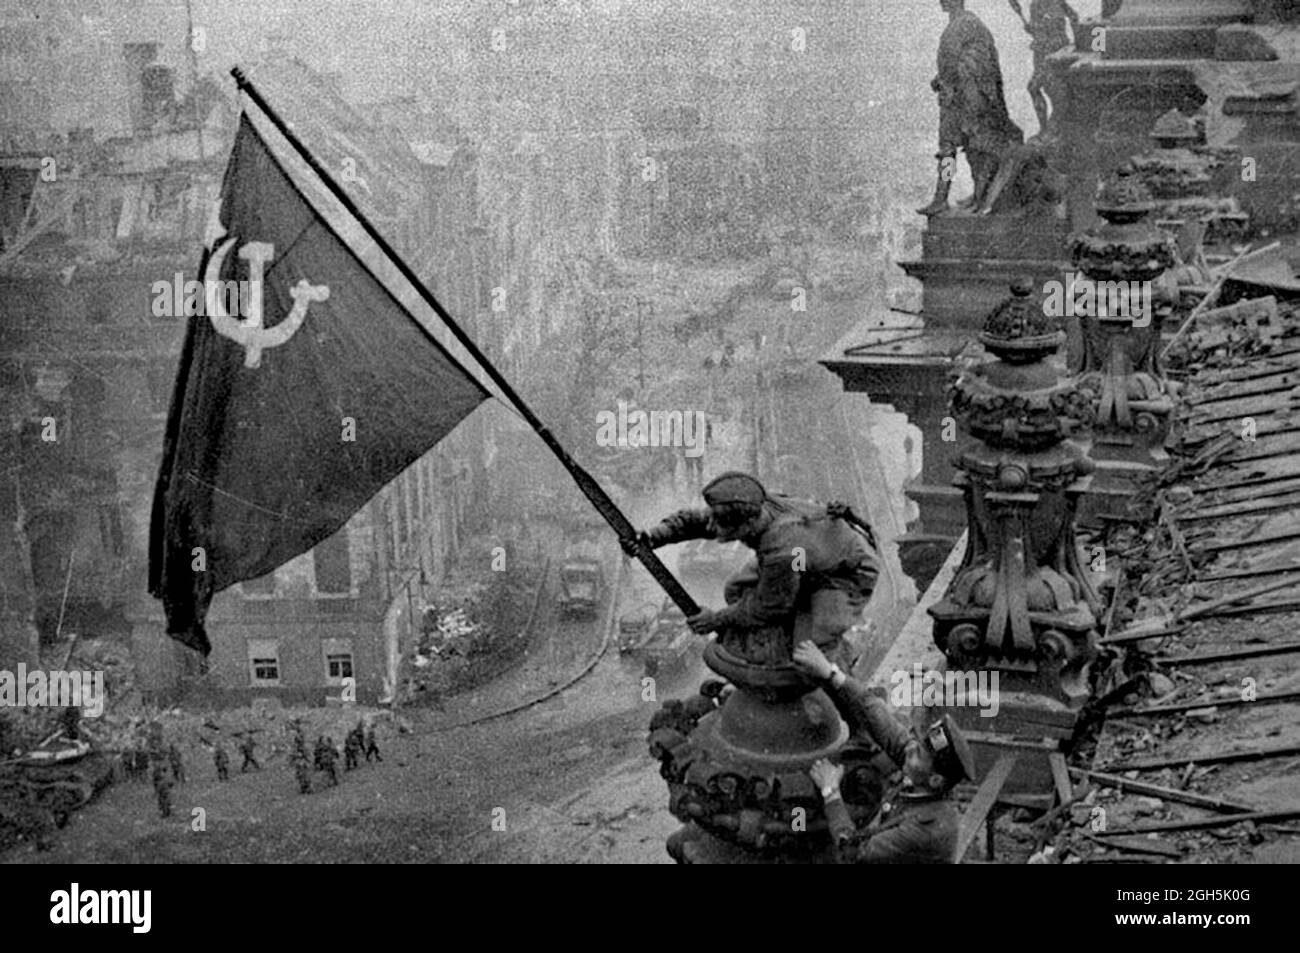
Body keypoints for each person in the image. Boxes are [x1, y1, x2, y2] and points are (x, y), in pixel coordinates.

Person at [626, 471, 879, 667]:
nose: (712, 527)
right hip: (810, 554)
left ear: (746, 524)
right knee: (736, 588)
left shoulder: (780, 546)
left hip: (847, 571)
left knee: (808, 655)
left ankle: (841, 667)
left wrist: (716, 619)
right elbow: (697, 521)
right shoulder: (756, 507)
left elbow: (770, 605)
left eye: (721, 525)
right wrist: (652, 537)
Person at [792, 641, 974, 864]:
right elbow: (877, 715)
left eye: (918, 754)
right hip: (888, 831)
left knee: (809, 830)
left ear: (935, 780)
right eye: (916, 745)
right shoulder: (924, 776)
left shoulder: (927, 829)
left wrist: (830, 792)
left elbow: (852, 854)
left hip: (872, 851)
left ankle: (796, 827)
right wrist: (831, 673)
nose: (910, 749)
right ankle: (799, 824)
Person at [918, 0, 1024, 216]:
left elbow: (956, 64)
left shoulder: (962, 25)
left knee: (952, 151)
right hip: (964, 98)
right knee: (968, 151)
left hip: (961, 101)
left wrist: (943, 81)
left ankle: (944, 198)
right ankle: (973, 195)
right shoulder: (967, 23)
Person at [1011, 0, 1080, 136]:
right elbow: (1072, 18)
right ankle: (1047, 129)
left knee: (1045, 90)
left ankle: (1050, 129)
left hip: (1053, 54)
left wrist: (1078, 42)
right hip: (1043, 53)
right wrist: (1033, 29)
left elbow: (1073, 17)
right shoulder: (1037, 5)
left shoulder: (1053, 3)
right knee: (1039, 89)